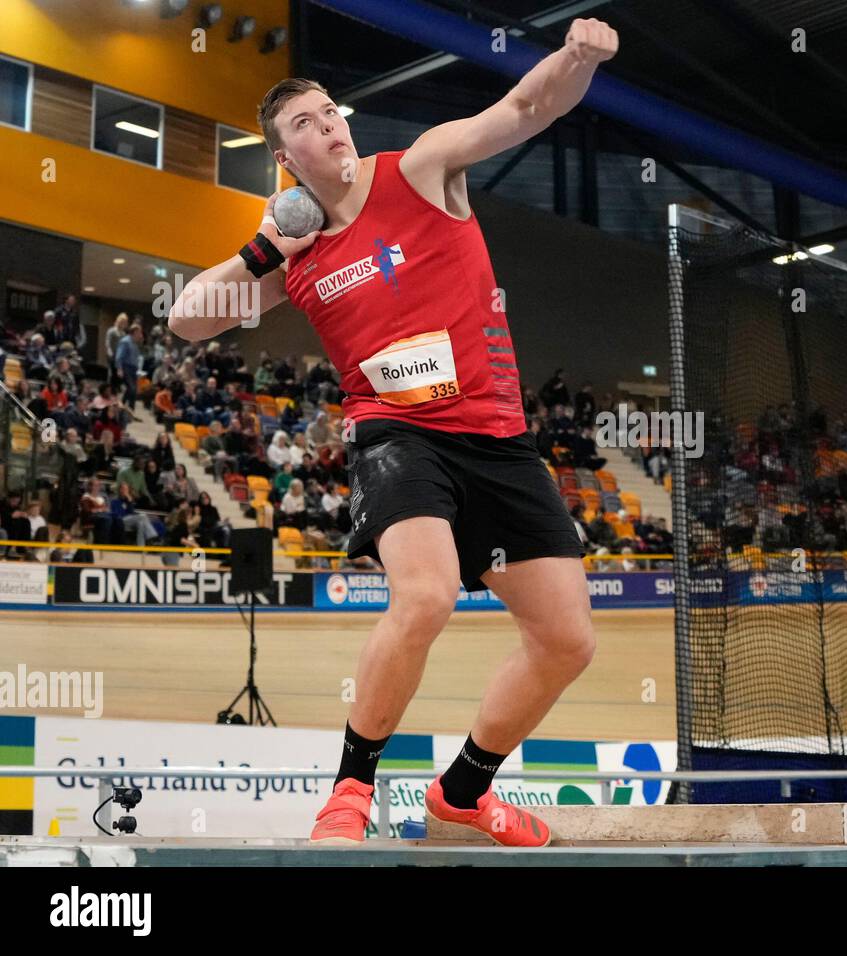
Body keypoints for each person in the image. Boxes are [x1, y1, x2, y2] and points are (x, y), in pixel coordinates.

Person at [167, 22, 619, 848]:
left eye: (330, 111)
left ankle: (461, 794)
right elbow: (190, 321)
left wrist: (578, 57)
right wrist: (263, 249)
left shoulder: (418, 168)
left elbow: (525, 106)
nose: (327, 124)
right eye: (303, 124)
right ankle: (350, 789)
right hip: (397, 438)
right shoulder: (296, 259)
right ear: (284, 158)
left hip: (497, 436)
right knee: (426, 592)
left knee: (566, 638)